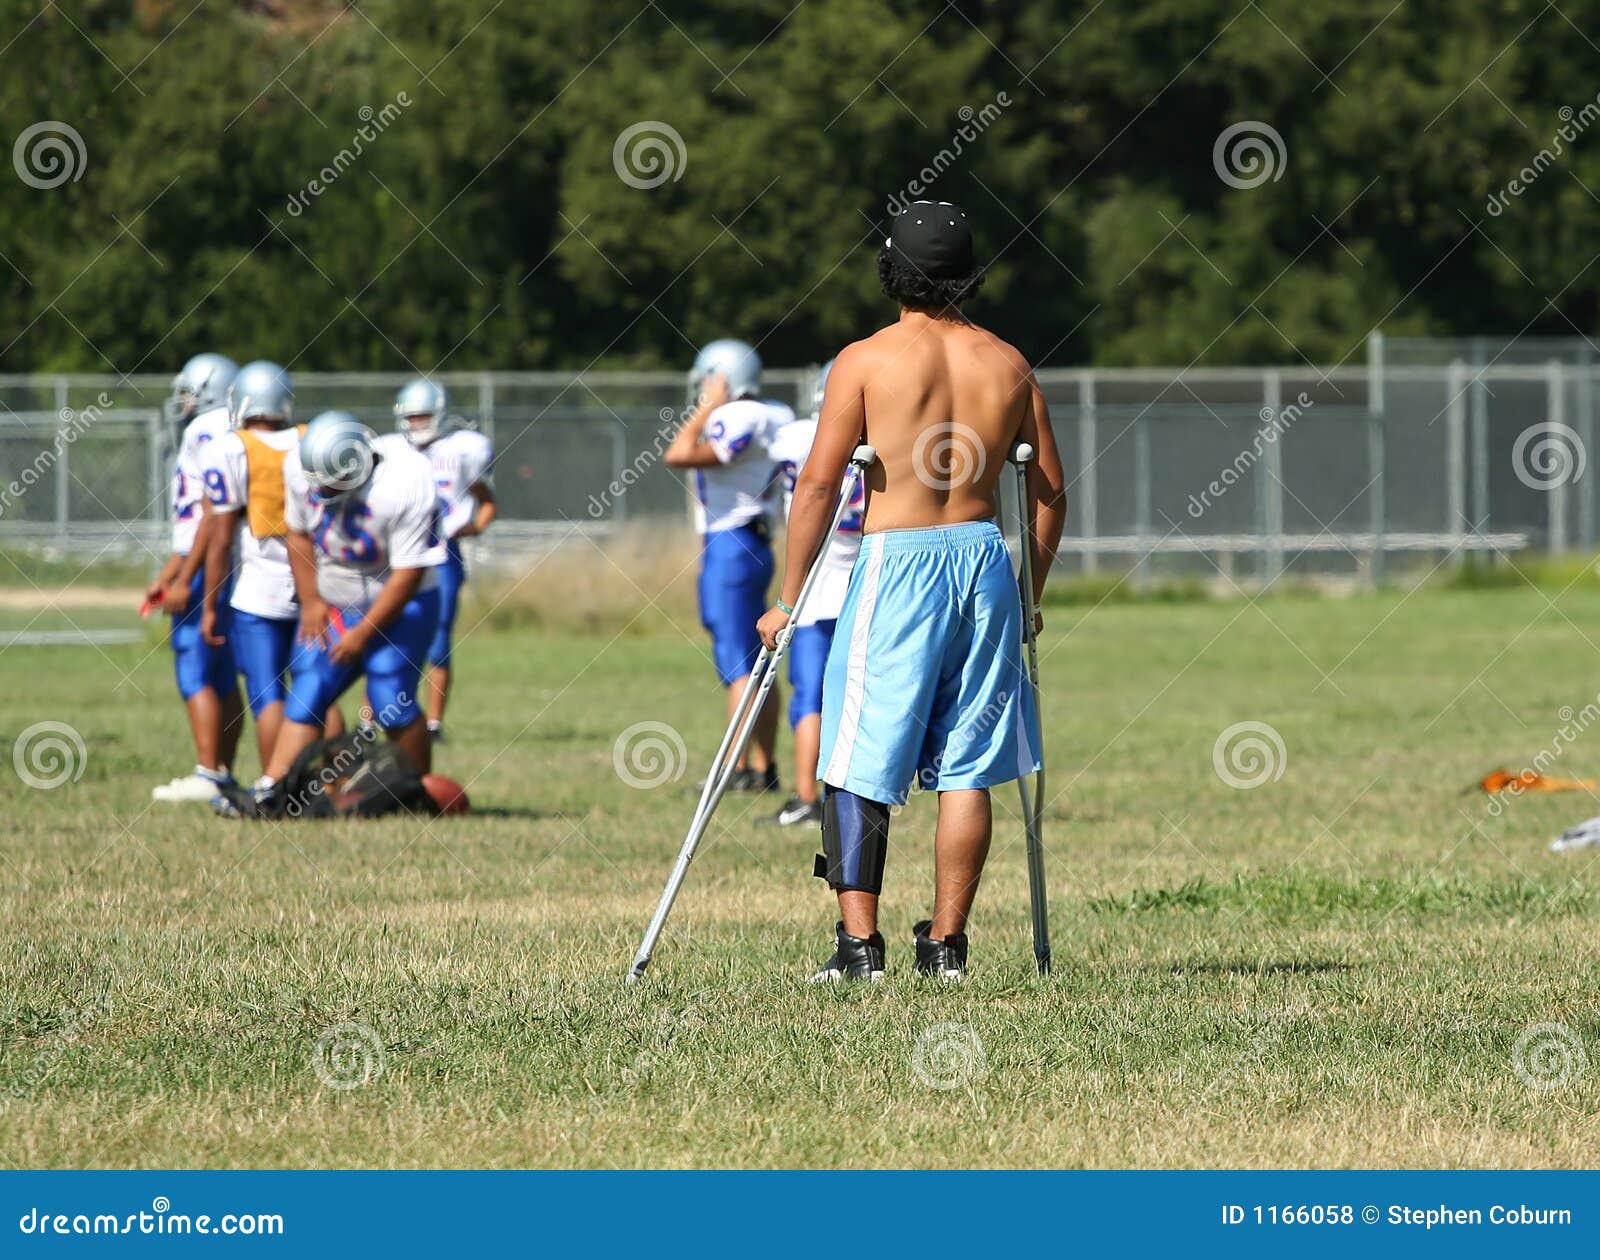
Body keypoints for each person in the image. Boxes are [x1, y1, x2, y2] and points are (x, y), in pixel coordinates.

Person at [756, 201, 1066, 982]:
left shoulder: (864, 360)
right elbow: (1050, 495)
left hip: (898, 562)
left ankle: (859, 949)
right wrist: (1030, 592)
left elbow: (821, 484)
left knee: (859, 754)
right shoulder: (1009, 362)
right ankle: (946, 947)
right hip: (984, 560)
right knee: (971, 760)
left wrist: (789, 600)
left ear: (891, 268)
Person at [255, 411, 444, 808]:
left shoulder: (408, 479)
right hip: (335, 600)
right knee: (308, 684)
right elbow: (298, 533)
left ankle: (417, 792)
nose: (319, 488)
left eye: (330, 481)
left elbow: (408, 575)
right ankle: (272, 790)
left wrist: (362, 634)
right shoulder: (299, 465)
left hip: (404, 601)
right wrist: (310, 600)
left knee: (390, 694)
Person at [665, 339, 791, 793]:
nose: (701, 389)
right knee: (756, 661)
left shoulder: (739, 415)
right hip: (754, 539)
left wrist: (707, 408)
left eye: (708, 381)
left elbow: (678, 453)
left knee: (738, 662)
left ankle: (737, 771)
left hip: (732, 543)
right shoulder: (776, 413)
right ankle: (763, 766)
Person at [760, 359, 862, 827]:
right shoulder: (882, 438)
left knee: (810, 697)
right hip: (869, 581)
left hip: (816, 587)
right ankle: (857, 798)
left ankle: (807, 796)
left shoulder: (796, 437)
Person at [147, 353, 245, 802]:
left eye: (188, 393)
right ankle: (221, 773)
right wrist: (170, 572)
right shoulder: (237, 425)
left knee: (196, 671)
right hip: (227, 562)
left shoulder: (205, 430)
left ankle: (209, 773)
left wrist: (185, 578)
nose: (182, 403)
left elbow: (210, 515)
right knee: (223, 674)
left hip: (209, 561)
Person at [393, 379, 496, 742]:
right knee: (387, 634)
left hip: (441, 552)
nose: (416, 424)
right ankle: (372, 719)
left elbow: (486, 499)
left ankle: (433, 724)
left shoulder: (462, 450)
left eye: (422, 416)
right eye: (411, 417)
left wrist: (473, 528)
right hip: (399, 552)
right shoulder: (394, 451)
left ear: (439, 414)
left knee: (438, 639)